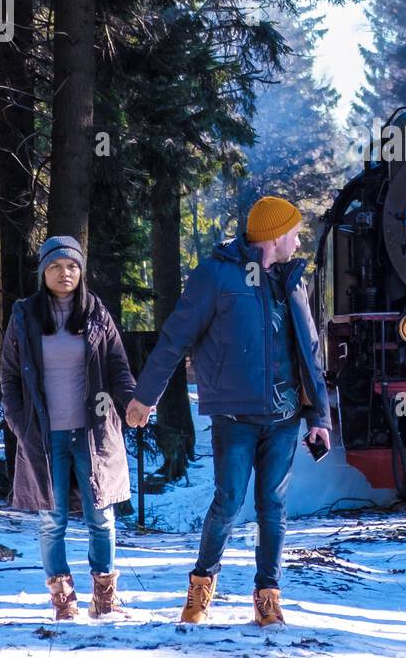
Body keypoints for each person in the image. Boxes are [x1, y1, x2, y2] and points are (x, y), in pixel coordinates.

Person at [127, 196, 331, 628]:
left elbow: (310, 354)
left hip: (284, 415)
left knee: (273, 506)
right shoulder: (217, 275)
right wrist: (147, 397)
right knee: (228, 502)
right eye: (294, 231)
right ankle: (202, 584)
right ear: (276, 235)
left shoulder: (293, 279)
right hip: (235, 417)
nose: (299, 239)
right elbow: (174, 338)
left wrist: (319, 419)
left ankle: (268, 596)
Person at [0, 235, 137, 621]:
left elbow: (118, 370)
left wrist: (133, 404)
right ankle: (63, 599)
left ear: (81, 271)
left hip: (93, 433)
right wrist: (19, 423)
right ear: (44, 271)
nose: (65, 273)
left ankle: (104, 595)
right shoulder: (24, 316)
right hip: (44, 437)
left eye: (72, 266)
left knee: (101, 515)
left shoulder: (96, 313)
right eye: (57, 267)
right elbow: (9, 378)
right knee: (52, 518)